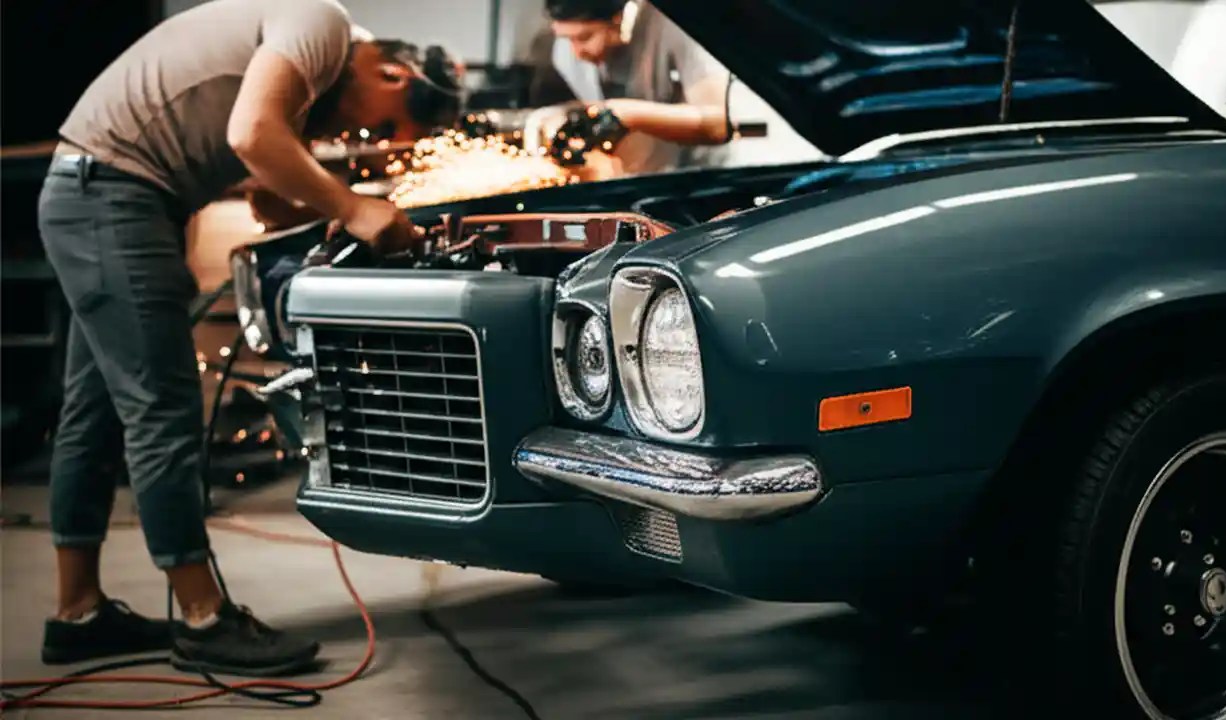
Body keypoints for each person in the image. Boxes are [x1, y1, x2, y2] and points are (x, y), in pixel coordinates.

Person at [37, 0, 461, 676]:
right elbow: (253, 134)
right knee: (163, 406)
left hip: (95, 193)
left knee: (94, 412)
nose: (358, 134)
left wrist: (324, 211)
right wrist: (354, 207)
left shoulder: (307, 70)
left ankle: (78, 615)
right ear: (393, 74)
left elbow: (264, 190)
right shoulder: (321, 22)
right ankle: (204, 617)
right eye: (382, 125)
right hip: (113, 195)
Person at [535, 0, 735, 174]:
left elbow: (717, 122)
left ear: (619, 19)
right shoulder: (566, 56)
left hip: (708, 172)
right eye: (566, 39)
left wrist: (623, 114)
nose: (577, 53)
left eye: (585, 37)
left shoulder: (675, 25)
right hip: (645, 177)